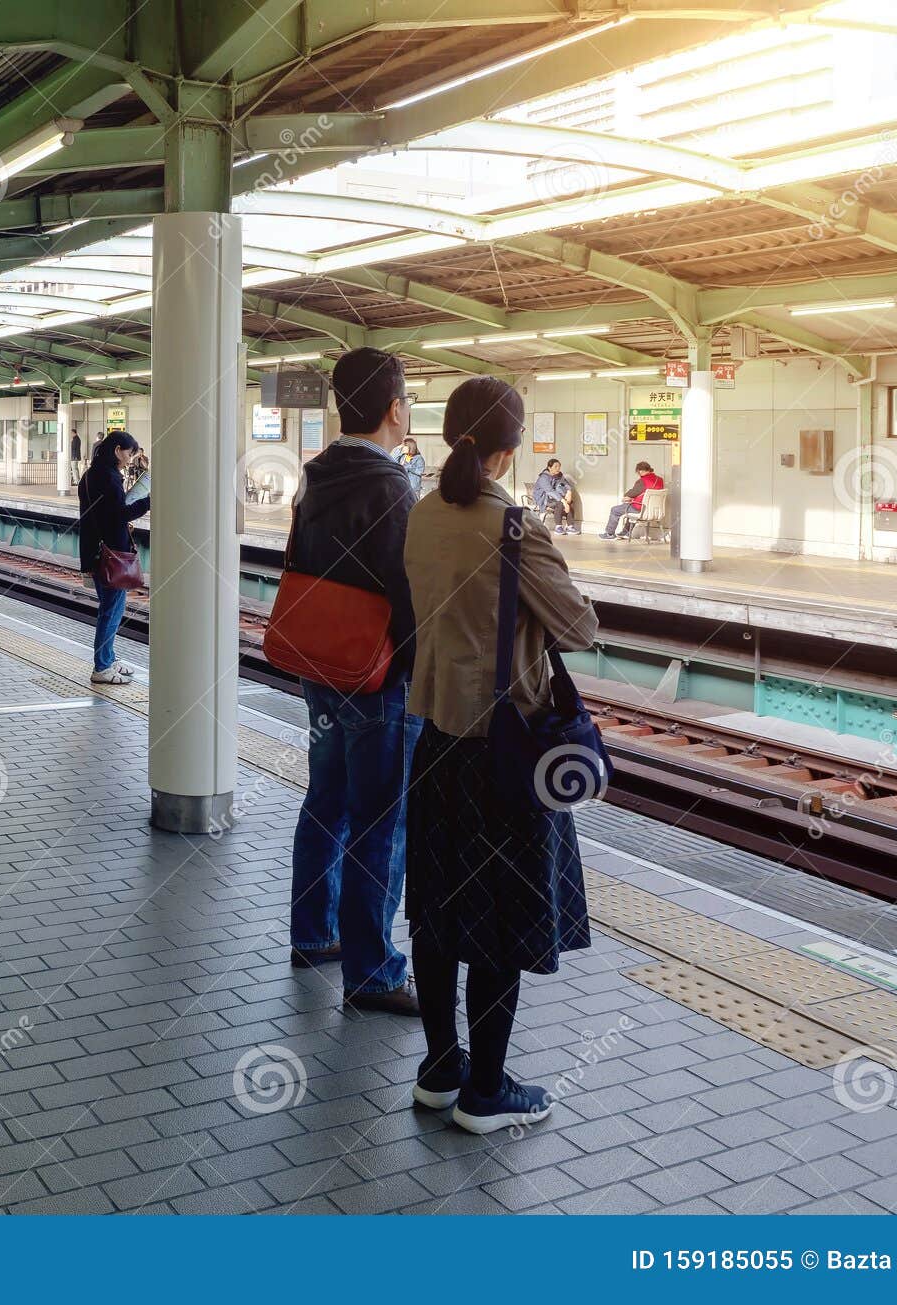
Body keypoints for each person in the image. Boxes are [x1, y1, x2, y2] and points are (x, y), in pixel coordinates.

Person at [402, 376, 599, 1133]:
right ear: (510, 450)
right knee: (498, 920)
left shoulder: (422, 514)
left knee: (435, 910)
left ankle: (439, 1069)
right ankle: (486, 1091)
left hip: (436, 746)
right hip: (503, 757)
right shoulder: (514, 527)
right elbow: (580, 628)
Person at [285, 346, 422, 1016]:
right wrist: (418, 670)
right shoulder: (393, 488)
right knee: (381, 821)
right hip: (377, 677)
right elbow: (409, 593)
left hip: (322, 666)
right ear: (395, 408)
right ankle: (372, 973)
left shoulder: (314, 476)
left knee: (326, 801)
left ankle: (314, 934)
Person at [77, 431, 150, 685]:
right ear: (118, 450)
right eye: (129, 453)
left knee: (110, 609)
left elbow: (103, 514)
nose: (130, 459)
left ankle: (108, 658)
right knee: (110, 611)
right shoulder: (109, 477)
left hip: (96, 550)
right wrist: (148, 502)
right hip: (110, 554)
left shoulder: (90, 475)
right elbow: (120, 514)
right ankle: (102, 667)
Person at [600, 460, 663, 539]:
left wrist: (627, 496)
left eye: (638, 472)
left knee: (615, 510)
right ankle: (626, 533)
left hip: (641, 509)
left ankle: (609, 534)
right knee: (629, 507)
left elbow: (633, 492)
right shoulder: (660, 480)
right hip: (654, 511)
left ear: (640, 471)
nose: (639, 474)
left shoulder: (642, 481)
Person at [532, 458, 581, 534]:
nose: (558, 468)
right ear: (549, 467)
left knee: (570, 502)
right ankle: (558, 527)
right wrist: (564, 501)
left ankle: (570, 526)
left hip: (554, 498)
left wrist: (569, 492)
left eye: (559, 466)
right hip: (544, 499)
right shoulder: (543, 478)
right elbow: (550, 491)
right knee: (560, 503)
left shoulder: (559, 475)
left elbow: (566, 484)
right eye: (556, 466)